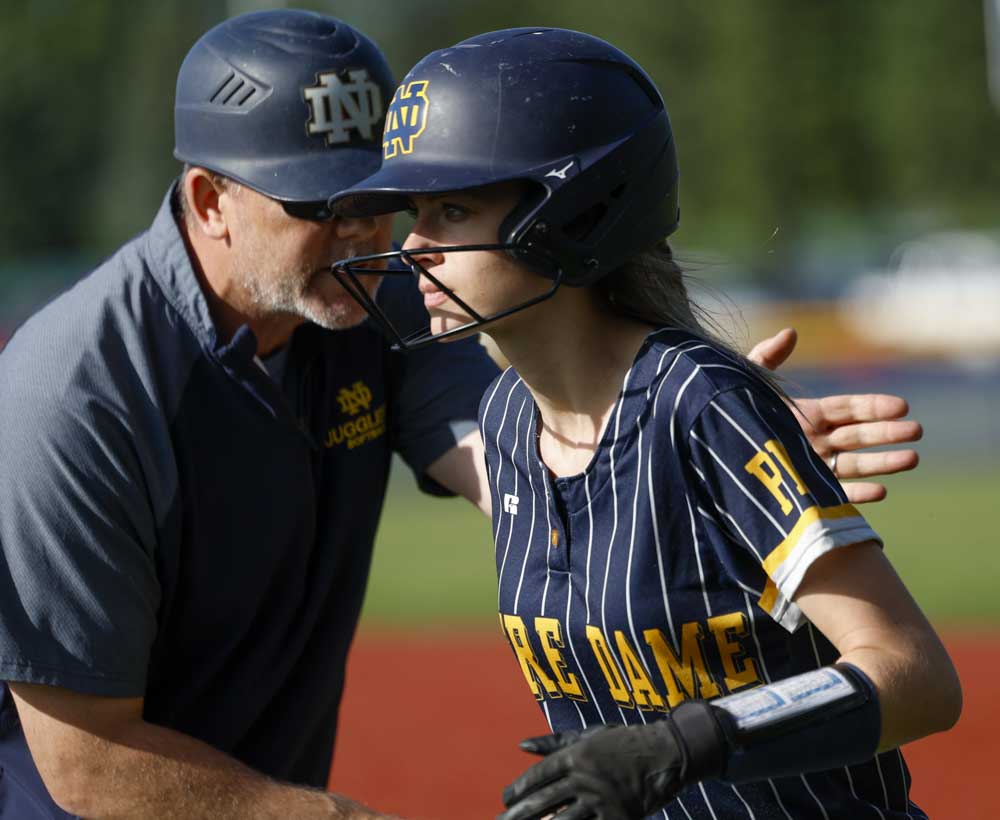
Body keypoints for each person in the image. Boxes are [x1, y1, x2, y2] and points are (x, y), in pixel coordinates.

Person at [0, 10, 921, 820]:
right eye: (325, 206)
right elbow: (88, 762)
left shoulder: (377, 298)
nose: (374, 238)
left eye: (383, 199)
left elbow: (519, 461)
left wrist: (680, 439)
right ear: (212, 202)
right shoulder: (72, 395)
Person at [329, 27, 960, 820]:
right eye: (415, 213)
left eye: (452, 209)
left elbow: (919, 675)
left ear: (573, 214)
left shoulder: (702, 402)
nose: (415, 246)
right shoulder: (506, 419)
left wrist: (690, 742)